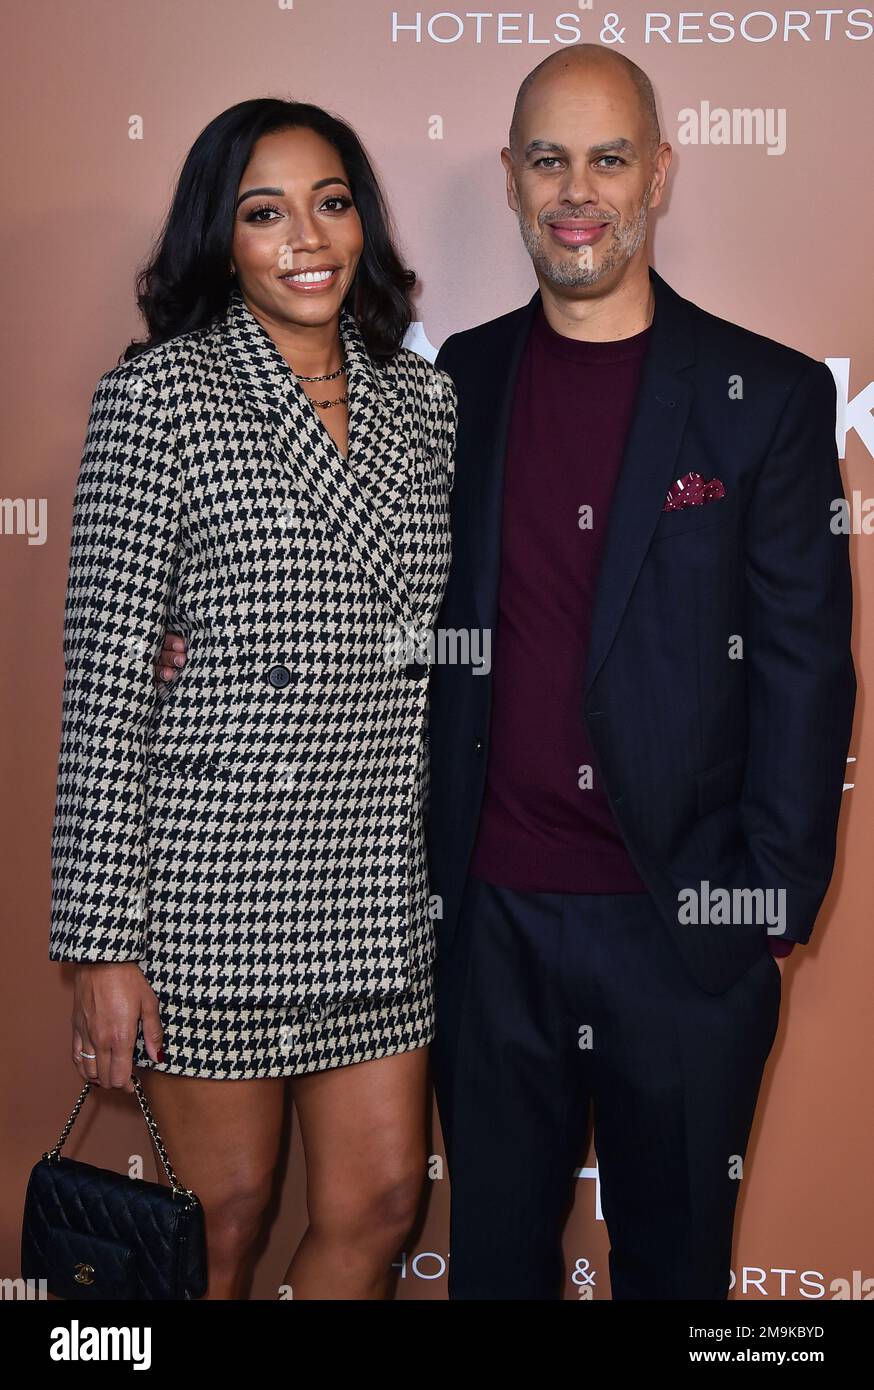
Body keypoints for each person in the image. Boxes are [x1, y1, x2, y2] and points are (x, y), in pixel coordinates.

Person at [423, 44, 855, 1299]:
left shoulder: (761, 397)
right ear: (509, 179)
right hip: (488, 922)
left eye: (607, 157)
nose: (576, 189)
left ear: (657, 173)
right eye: (547, 158)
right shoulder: (465, 375)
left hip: (680, 932)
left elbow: (804, 665)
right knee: (495, 1270)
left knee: (675, 1276)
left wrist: (764, 905)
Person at [49, 97, 457, 1300]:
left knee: (382, 1202)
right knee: (220, 1224)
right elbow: (106, 684)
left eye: (330, 203)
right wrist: (98, 944)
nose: (305, 237)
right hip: (214, 888)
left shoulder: (424, 404)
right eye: (263, 212)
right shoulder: (158, 400)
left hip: (378, 880)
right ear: (218, 240)